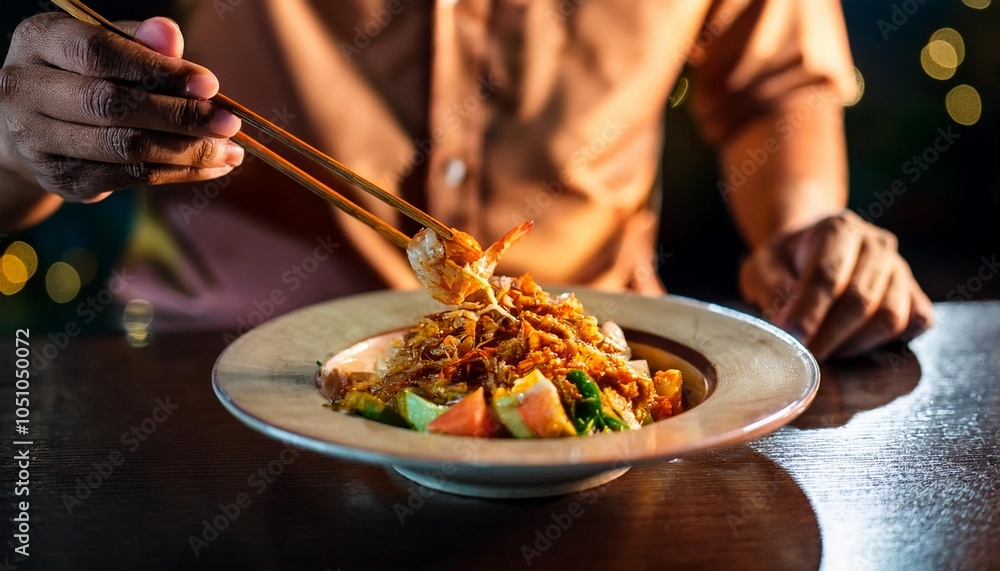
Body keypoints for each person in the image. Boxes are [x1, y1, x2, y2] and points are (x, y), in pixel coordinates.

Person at [0, 0, 932, 360]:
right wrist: (26, 141)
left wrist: (806, 224)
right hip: (215, 380)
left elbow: (774, 80)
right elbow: (60, 79)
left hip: (596, 377)